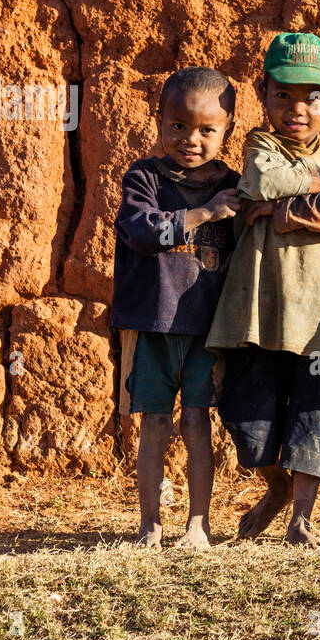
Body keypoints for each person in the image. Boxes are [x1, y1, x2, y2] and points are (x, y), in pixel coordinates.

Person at [206, 32, 320, 548]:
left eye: (312, 97)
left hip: (317, 321)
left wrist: (283, 212)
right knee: (245, 412)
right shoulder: (260, 142)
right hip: (252, 314)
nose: (297, 108)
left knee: (311, 412)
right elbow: (260, 179)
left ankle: (301, 518)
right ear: (264, 94)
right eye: (284, 94)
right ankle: (275, 488)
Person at [112, 67, 242, 549]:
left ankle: (198, 525)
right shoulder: (143, 177)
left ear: (227, 128)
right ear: (160, 121)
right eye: (178, 126)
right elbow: (142, 233)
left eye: (207, 129)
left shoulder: (235, 185)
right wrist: (204, 213)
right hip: (154, 323)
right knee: (156, 423)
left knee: (195, 422)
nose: (191, 139)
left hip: (208, 331)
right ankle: (150, 524)